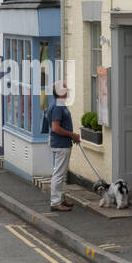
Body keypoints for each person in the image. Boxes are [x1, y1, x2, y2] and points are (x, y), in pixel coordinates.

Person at [47, 82, 80, 211]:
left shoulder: (58, 104)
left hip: (61, 143)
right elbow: (55, 128)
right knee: (59, 174)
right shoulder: (57, 107)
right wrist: (72, 135)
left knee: (60, 172)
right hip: (61, 144)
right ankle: (55, 202)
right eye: (65, 89)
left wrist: (72, 136)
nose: (67, 91)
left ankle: (59, 199)